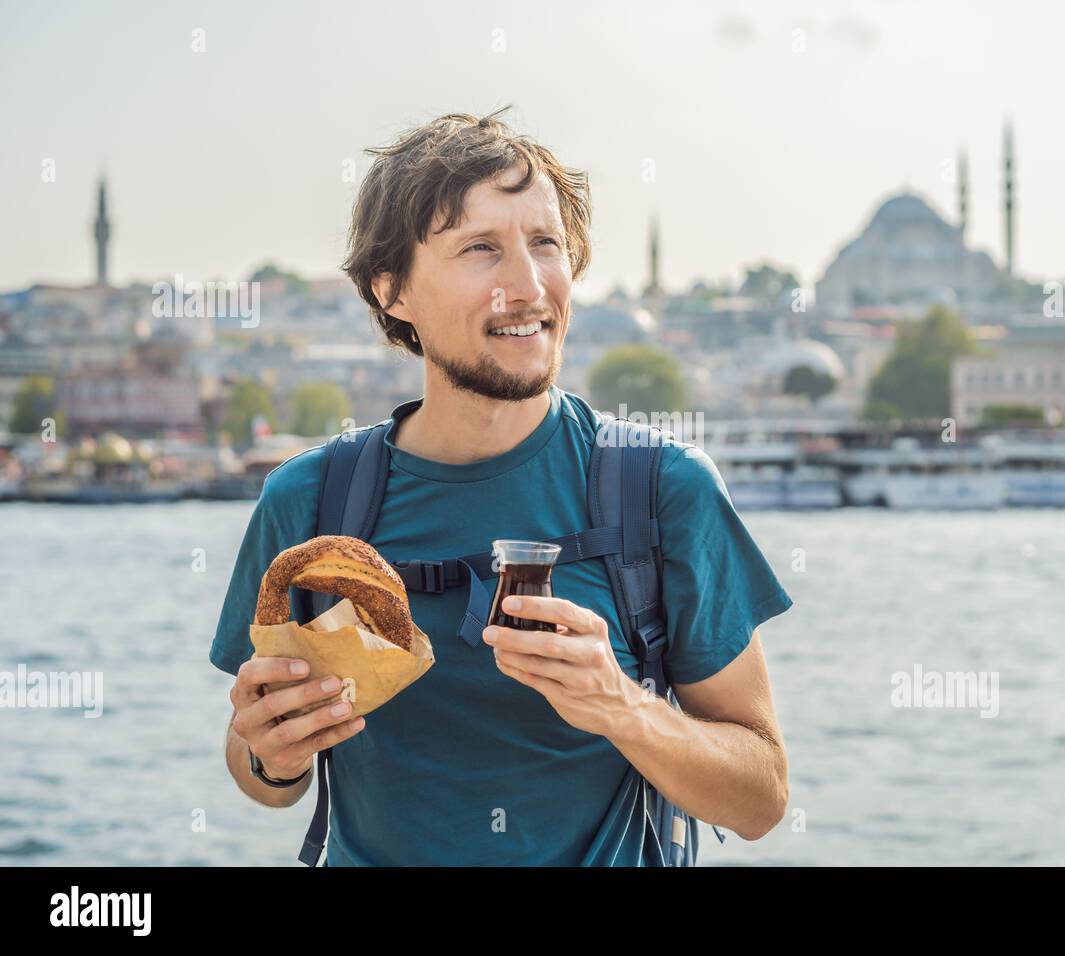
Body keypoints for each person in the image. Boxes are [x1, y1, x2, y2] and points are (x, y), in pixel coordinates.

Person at [210, 107, 794, 865]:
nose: (527, 285)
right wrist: (273, 756)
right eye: (481, 248)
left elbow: (762, 799)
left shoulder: (663, 490)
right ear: (392, 290)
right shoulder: (309, 500)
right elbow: (259, 771)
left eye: (546, 244)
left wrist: (622, 708)